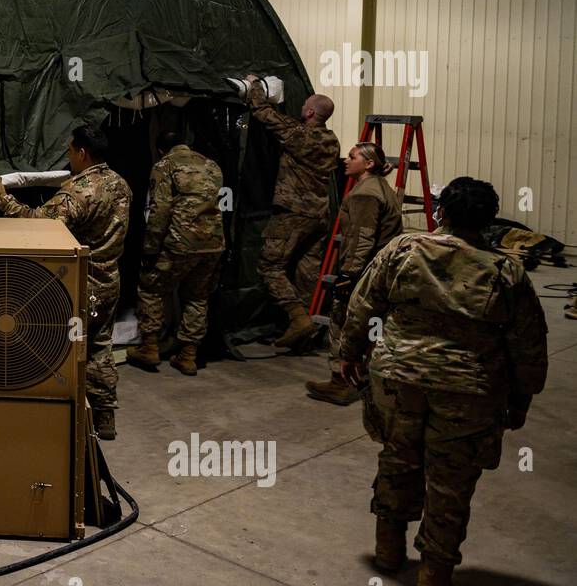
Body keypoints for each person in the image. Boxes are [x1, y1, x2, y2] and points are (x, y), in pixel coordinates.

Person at [339, 177, 547, 586]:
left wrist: (350, 352)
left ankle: (388, 551)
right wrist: (522, 397)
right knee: (451, 483)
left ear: (441, 213)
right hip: (468, 390)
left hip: (398, 378)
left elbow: (364, 303)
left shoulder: (403, 249)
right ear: (489, 221)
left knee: (397, 459)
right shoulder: (505, 271)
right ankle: (433, 583)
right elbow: (528, 344)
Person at [0, 124, 132, 441]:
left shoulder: (76, 193)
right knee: (100, 347)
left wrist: (2, 199)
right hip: (109, 280)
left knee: (55, 348)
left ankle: (57, 417)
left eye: (70, 151)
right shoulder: (120, 183)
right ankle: (105, 415)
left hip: (78, 285)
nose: (69, 157)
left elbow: (38, 226)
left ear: (82, 152)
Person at [305, 142, 403, 405]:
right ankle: (362, 379)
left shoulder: (365, 194)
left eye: (352, 157)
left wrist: (348, 276)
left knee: (342, 321)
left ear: (368, 164)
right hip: (378, 270)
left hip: (363, 271)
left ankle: (341, 381)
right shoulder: (380, 186)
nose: (346, 160)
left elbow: (362, 239)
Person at [246, 75, 340, 348]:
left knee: (270, 267)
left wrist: (254, 84)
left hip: (293, 212)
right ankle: (305, 330)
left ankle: (298, 318)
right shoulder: (332, 140)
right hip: (320, 214)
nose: (301, 107)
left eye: (304, 106)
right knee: (307, 272)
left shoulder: (299, 134)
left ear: (310, 113)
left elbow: (264, 113)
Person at [127, 131, 225, 377]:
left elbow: (160, 210)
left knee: (151, 289)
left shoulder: (165, 166)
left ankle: (149, 347)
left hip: (180, 242)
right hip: (213, 242)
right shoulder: (211, 164)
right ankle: (188, 355)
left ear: (161, 150)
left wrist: (150, 248)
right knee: (197, 296)